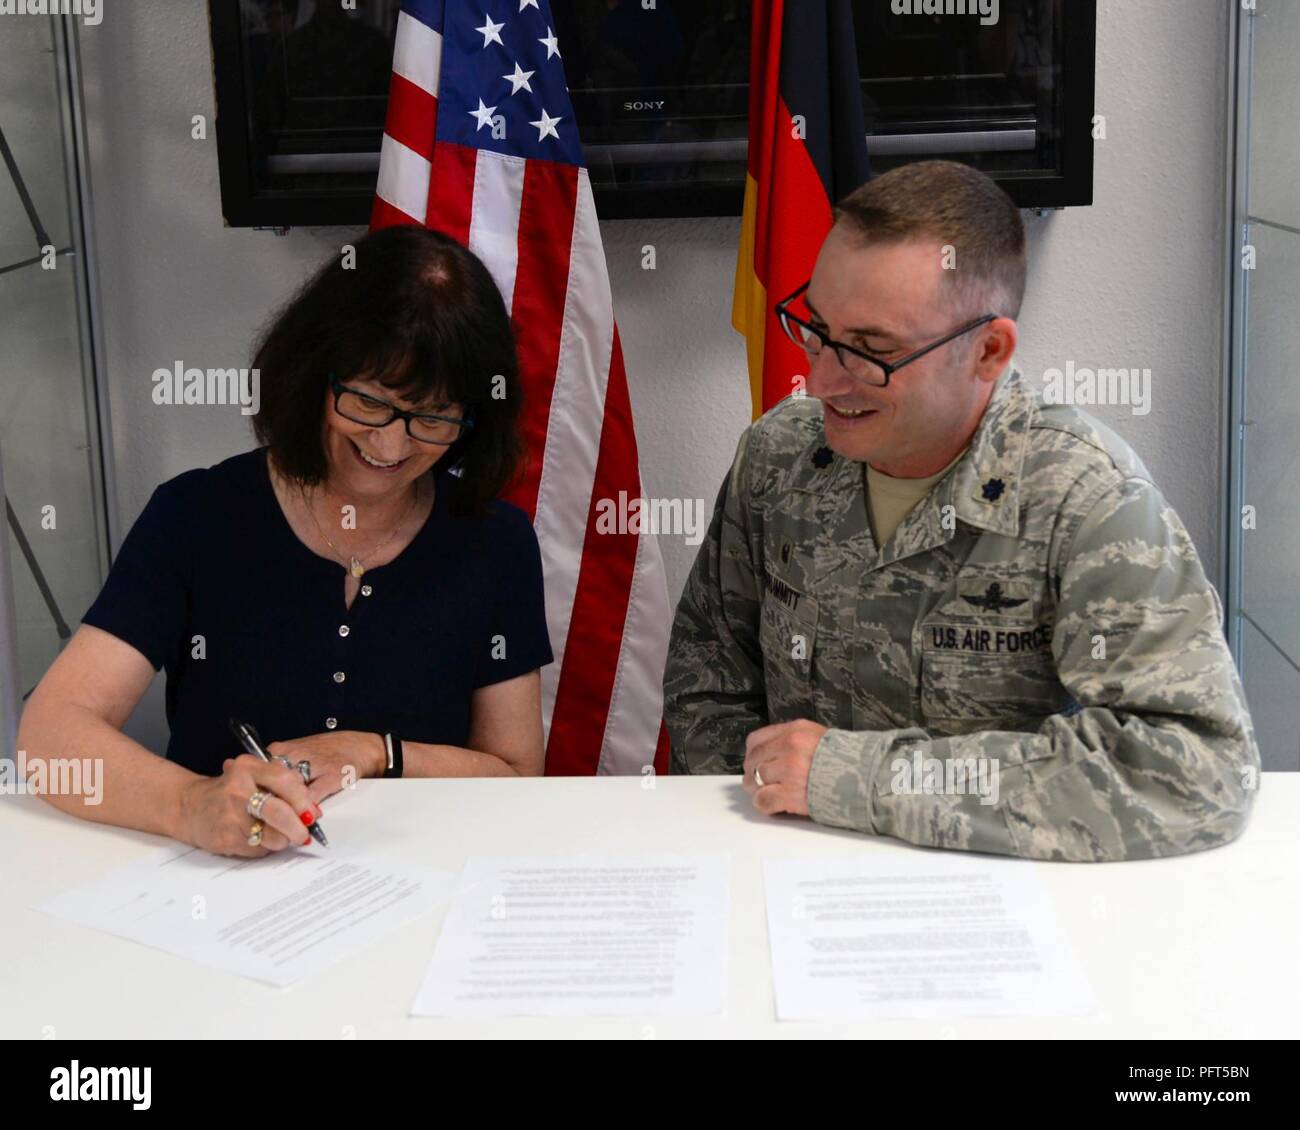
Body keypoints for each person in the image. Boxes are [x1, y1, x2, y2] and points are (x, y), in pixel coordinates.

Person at [664, 160, 1260, 862]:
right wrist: (754, 836)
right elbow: (707, 679)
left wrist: (858, 783)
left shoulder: (1087, 501)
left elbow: (1196, 769)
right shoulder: (779, 459)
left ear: (988, 350)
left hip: (1001, 900)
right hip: (789, 879)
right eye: (817, 329)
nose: (820, 378)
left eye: (870, 350)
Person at [18, 226, 552, 857]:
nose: (390, 446)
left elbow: (517, 774)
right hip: (213, 888)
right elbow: (50, 735)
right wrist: (189, 805)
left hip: (418, 887)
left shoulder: (496, 543)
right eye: (369, 403)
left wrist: (376, 752)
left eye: (431, 418)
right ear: (314, 376)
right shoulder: (198, 515)